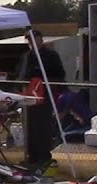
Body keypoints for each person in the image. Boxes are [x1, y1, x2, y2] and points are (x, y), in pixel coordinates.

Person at [17, 29, 66, 167]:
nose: (32, 43)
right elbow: (20, 74)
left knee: (43, 126)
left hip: (44, 96)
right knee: (29, 126)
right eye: (30, 41)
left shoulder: (51, 56)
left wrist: (44, 82)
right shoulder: (26, 57)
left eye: (35, 40)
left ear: (41, 40)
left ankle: (44, 156)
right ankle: (31, 156)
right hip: (28, 97)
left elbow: (60, 75)